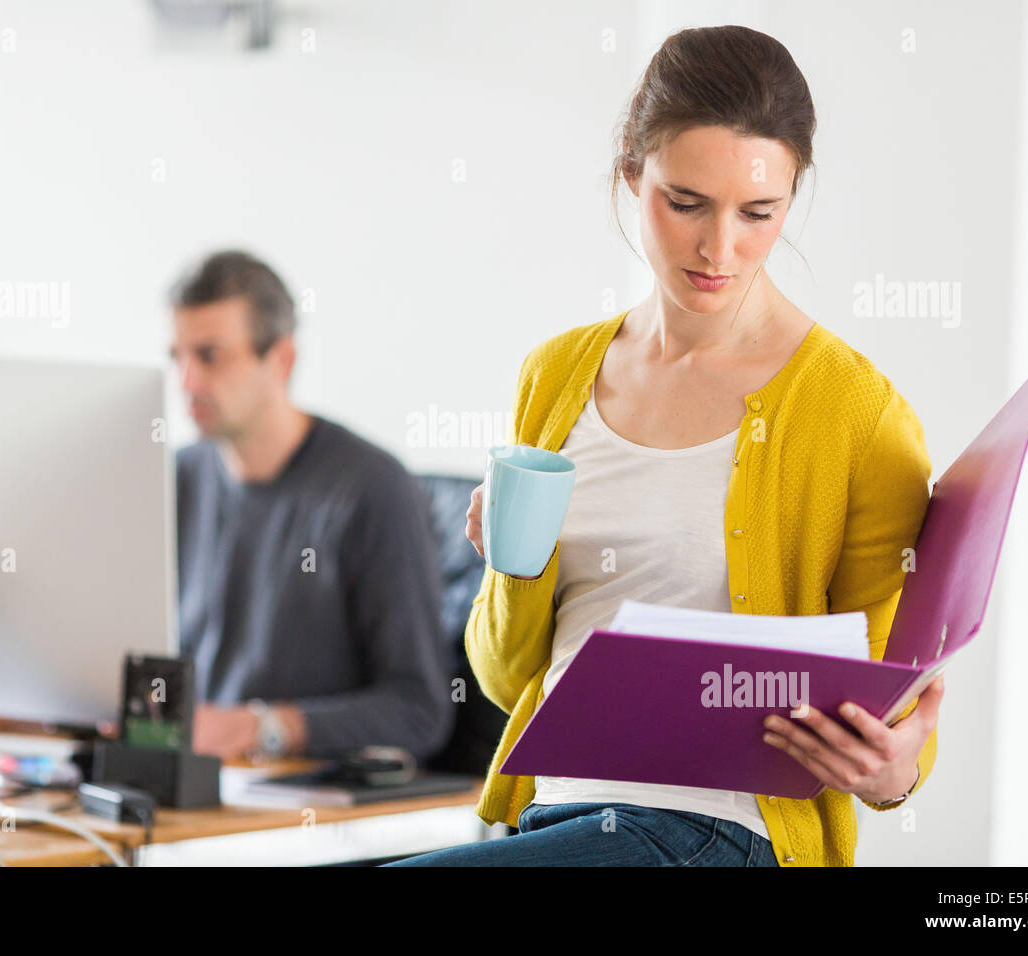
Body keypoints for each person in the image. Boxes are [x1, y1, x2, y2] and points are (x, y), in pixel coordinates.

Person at [387, 25, 943, 867]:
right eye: (685, 203)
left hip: (722, 834)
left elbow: (892, 696)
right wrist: (513, 565)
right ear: (630, 175)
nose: (721, 248)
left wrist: (895, 769)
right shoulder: (556, 375)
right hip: (547, 820)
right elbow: (506, 680)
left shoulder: (857, 416)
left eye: (760, 213)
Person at [169, 250, 453, 763]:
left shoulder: (373, 489)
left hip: (298, 810)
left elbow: (420, 710)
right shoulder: (176, 478)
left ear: (281, 359)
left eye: (209, 355)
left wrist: (260, 728)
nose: (186, 381)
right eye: (178, 357)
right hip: (185, 790)